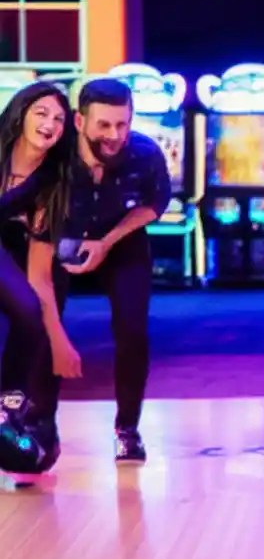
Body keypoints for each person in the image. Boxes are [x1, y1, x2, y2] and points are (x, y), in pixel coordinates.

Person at [56, 78, 171, 463]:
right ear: (79, 121)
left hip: (121, 240)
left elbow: (155, 204)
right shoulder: (55, 152)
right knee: (38, 322)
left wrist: (107, 242)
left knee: (133, 330)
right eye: (104, 125)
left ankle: (128, 429)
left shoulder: (145, 153)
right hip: (58, 238)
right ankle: (37, 421)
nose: (114, 135)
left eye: (122, 124)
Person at [0, 81, 80, 473]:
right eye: (41, 113)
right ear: (20, 113)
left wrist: (59, 338)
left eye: (59, 119)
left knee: (31, 313)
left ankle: (10, 406)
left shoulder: (50, 186)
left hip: (11, 261)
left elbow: (39, 273)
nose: (50, 123)